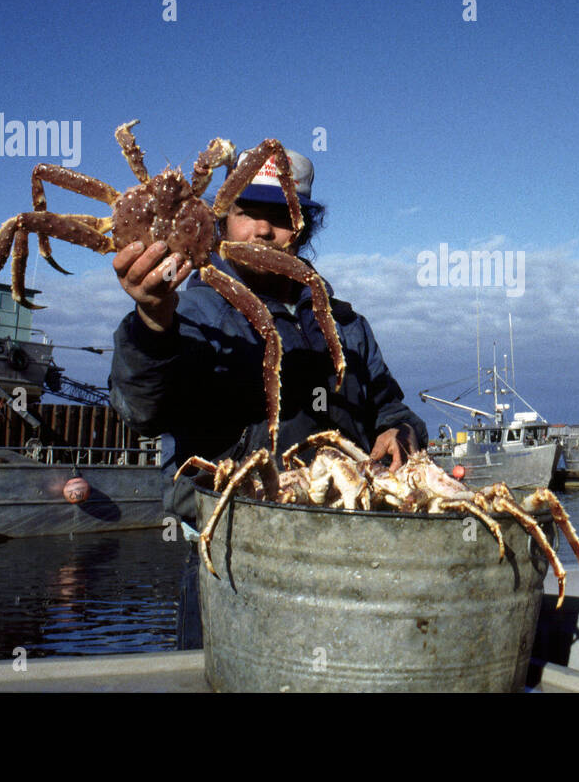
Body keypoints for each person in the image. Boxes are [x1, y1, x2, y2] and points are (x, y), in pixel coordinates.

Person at [107, 145, 428, 648]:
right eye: (248, 213)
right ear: (221, 219)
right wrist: (151, 324)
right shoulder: (185, 312)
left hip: (348, 557)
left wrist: (399, 431)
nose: (262, 231)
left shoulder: (345, 324)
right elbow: (139, 412)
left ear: (303, 226)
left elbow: (391, 405)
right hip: (230, 557)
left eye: (279, 216)